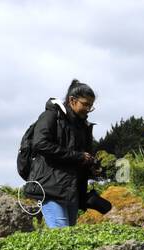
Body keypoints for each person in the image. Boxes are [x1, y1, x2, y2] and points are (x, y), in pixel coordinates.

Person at [28, 80, 101, 228]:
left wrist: (91, 166)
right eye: (85, 104)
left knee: (69, 237)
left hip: (72, 190)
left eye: (91, 106)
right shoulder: (51, 116)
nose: (88, 109)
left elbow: (81, 156)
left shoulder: (82, 126)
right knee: (62, 234)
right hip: (50, 187)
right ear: (72, 100)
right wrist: (78, 156)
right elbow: (40, 143)